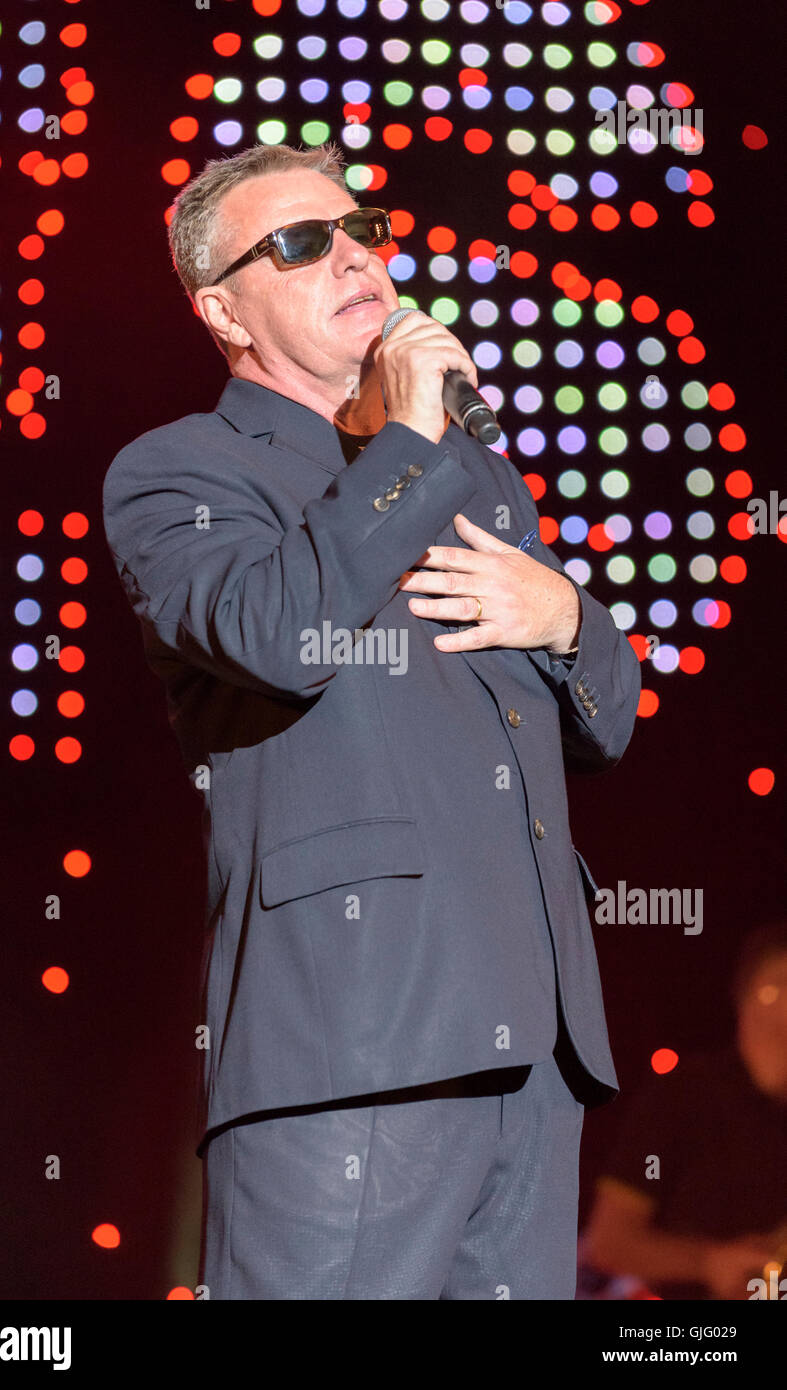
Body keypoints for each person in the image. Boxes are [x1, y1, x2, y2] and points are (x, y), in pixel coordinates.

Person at [102, 143, 640, 1300]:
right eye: (299, 243)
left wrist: (565, 617)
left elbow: (603, 729)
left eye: (361, 229)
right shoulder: (183, 471)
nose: (353, 255)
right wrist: (410, 439)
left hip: (533, 1055)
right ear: (222, 309)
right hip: (353, 1044)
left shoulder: (475, 477)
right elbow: (280, 632)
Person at [582, 922, 787, 1300]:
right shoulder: (684, 1096)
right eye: (774, 990)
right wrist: (710, 1262)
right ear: (741, 998)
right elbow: (609, 1241)